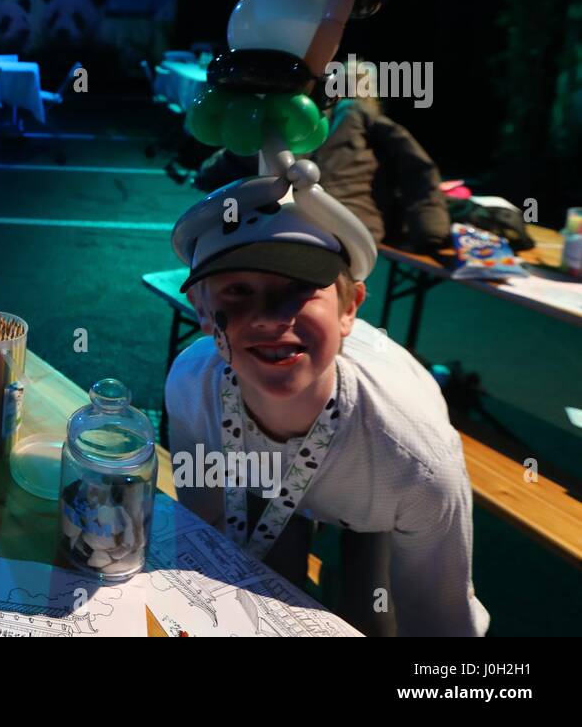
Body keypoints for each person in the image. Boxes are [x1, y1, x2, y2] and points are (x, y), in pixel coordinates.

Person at [165, 176, 489, 636]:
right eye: (237, 291)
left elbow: (440, 615)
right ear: (200, 310)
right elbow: (207, 523)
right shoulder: (190, 384)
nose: (270, 318)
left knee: (373, 612)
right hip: (263, 481)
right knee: (265, 584)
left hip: (371, 500)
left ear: (349, 308)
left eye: (300, 286)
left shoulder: (416, 462)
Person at [193, 63, 450, 254]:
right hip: (348, 227)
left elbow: (230, 161)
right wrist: (430, 232)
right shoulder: (358, 116)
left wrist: (205, 174)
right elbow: (418, 167)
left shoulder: (297, 121)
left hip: (280, 223)